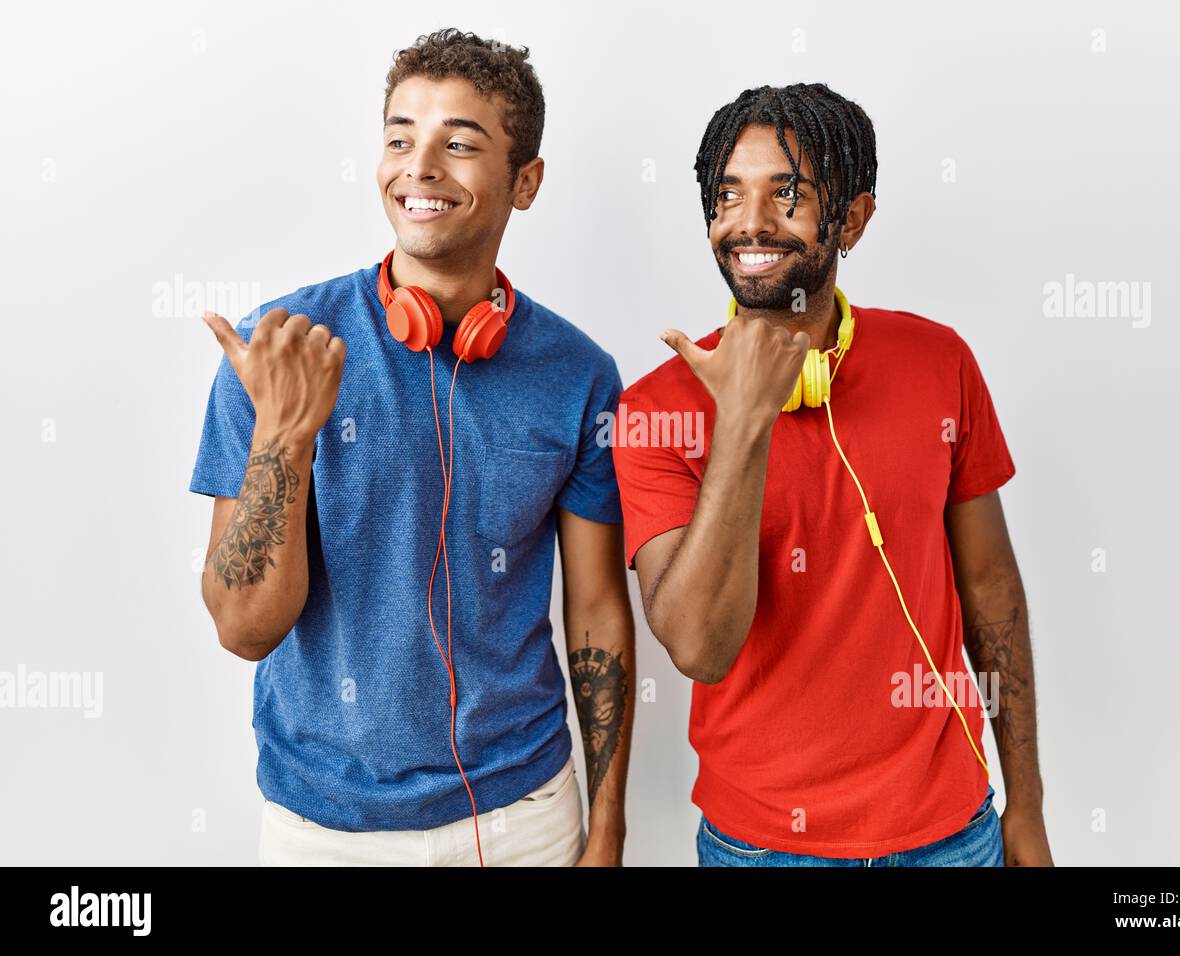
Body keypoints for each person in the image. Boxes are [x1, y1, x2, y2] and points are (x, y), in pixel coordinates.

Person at [190, 29, 634, 867]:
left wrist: (607, 828)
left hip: (527, 819)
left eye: (458, 143)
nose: (418, 166)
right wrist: (285, 438)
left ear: (526, 181)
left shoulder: (579, 375)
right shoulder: (278, 350)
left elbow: (599, 608)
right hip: (323, 829)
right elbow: (245, 629)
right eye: (399, 138)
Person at [610, 83, 1053, 866]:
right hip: (761, 848)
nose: (750, 222)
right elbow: (699, 648)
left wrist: (1028, 809)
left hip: (955, 833)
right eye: (728, 195)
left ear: (851, 219)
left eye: (788, 194)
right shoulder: (654, 411)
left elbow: (991, 589)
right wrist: (744, 423)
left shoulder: (940, 362)